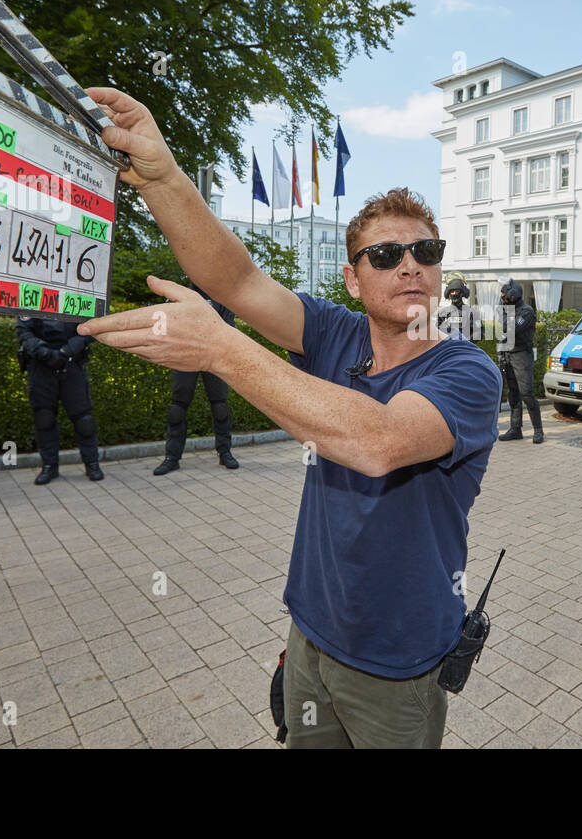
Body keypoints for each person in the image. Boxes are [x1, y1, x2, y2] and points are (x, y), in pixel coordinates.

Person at [75, 86, 504, 749]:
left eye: (426, 250)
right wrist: (161, 175)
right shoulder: (334, 333)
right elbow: (238, 281)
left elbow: (379, 440)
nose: (411, 265)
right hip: (309, 632)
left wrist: (219, 348)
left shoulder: (467, 370)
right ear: (354, 279)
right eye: (387, 255)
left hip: (399, 661)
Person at [153, 282, 239, 475]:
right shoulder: (180, 294)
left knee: (220, 407)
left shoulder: (220, 296)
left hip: (213, 356)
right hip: (185, 356)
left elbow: (229, 328)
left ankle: (225, 453)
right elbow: (168, 324)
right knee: (177, 408)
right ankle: (172, 458)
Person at [15, 316, 103, 484]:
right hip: (41, 366)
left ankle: (92, 463)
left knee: (84, 420)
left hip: (72, 365)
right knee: (44, 419)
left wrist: (67, 351)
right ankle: (49, 466)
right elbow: (23, 331)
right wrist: (44, 352)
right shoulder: (32, 293)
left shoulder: (77, 293)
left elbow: (90, 328)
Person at [496, 279, 543, 444]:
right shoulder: (507, 310)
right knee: (513, 394)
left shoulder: (527, 311)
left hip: (522, 355)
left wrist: (504, 313)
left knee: (527, 393)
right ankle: (515, 428)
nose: (502, 297)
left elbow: (510, 328)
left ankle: (538, 430)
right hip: (509, 354)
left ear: (512, 295)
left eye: (504, 295)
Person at [436, 276, 483, 342]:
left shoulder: (471, 312)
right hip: (448, 349)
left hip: (466, 349)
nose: (454, 294)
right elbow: (436, 332)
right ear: (449, 293)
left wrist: (466, 342)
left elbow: (479, 332)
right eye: (452, 291)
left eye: (457, 291)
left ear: (462, 293)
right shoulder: (442, 312)